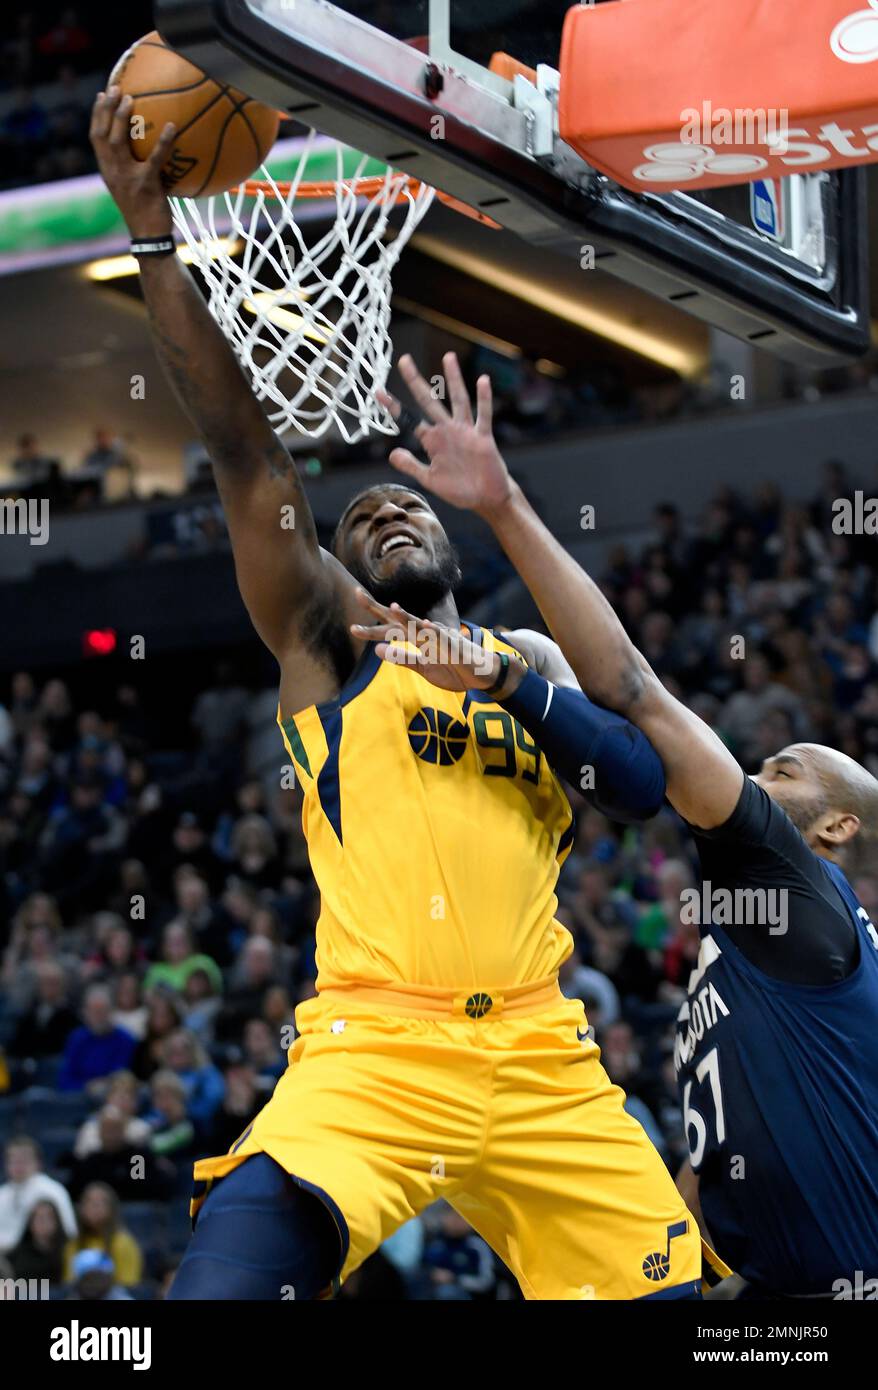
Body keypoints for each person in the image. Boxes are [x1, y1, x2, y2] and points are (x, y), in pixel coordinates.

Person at [90, 88, 700, 1302]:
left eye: (408, 504)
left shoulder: (528, 659)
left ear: (455, 551)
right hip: (372, 1048)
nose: (382, 508)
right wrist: (153, 235)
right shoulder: (332, 643)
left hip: (541, 1051)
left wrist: (500, 683)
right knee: (213, 1289)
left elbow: (638, 785)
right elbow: (245, 455)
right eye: (359, 516)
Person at [377, 350, 878, 1298]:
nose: (754, 778)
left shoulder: (794, 884)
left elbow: (635, 693)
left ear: (837, 830)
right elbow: (717, 1152)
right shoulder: (756, 947)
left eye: (782, 769)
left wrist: (503, 509)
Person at [0, 1136, 77, 1254]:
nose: (18, 1165)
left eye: (24, 1160)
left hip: (45, 1257)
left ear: (38, 1163)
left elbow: (69, 1232)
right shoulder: (3, 1193)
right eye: (13, 1160)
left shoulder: (53, 1191)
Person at [63, 1182, 143, 1287]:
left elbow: (129, 1285)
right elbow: (69, 1283)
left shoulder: (123, 1243)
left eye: (100, 1203)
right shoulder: (73, 1244)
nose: (94, 1207)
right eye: (89, 1202)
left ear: (111, 1208)